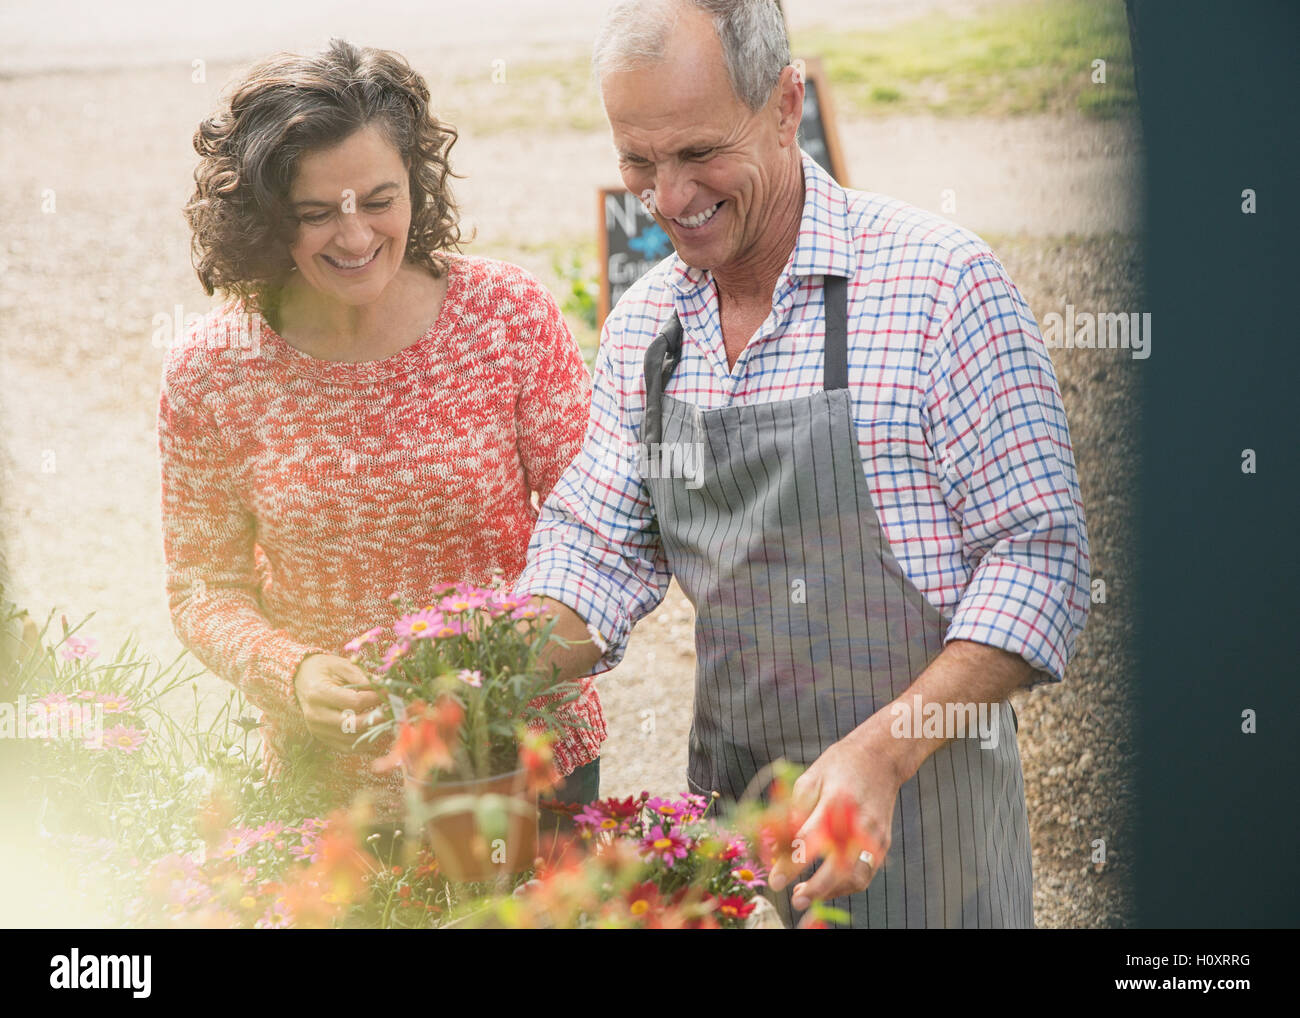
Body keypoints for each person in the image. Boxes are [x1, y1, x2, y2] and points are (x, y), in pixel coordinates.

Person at [514, 0, 1089, 927]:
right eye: (638, 162)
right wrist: (480, 672)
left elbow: (1040, 563)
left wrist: (882, 755)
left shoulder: (938, 285)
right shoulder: (650, 332)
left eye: (699, 153)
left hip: (933, 832)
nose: (665, 199)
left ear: (786, 105)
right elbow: (597, 546)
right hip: (737, 838)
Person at [158, 39, 605, 829]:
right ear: (265, 219)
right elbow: (204, 587)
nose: (355, 234)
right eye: (316, 213)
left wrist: (515, 669)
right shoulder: (213, 369)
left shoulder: (505, 316)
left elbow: (594, 529)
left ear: (418, 185)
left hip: (521, 764)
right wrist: (288, 672)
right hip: (331, 788)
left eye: (379, 198)